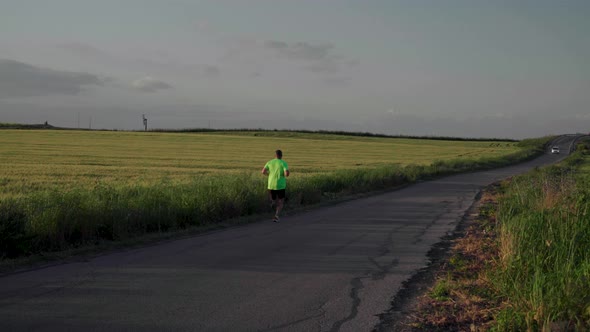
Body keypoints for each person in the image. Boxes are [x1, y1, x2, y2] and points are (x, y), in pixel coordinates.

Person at [261, 149, 290, 222]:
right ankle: (276, 216)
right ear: (281, 155)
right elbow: (286, 174)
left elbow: (263, 171)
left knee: (273, 199)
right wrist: (286, 174)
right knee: (281, 201)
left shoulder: (269, 162)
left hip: (271, 184)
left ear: (275, 155)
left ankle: (272, 205)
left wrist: (269, 175)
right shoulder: (283, 163)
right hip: (280, 185)